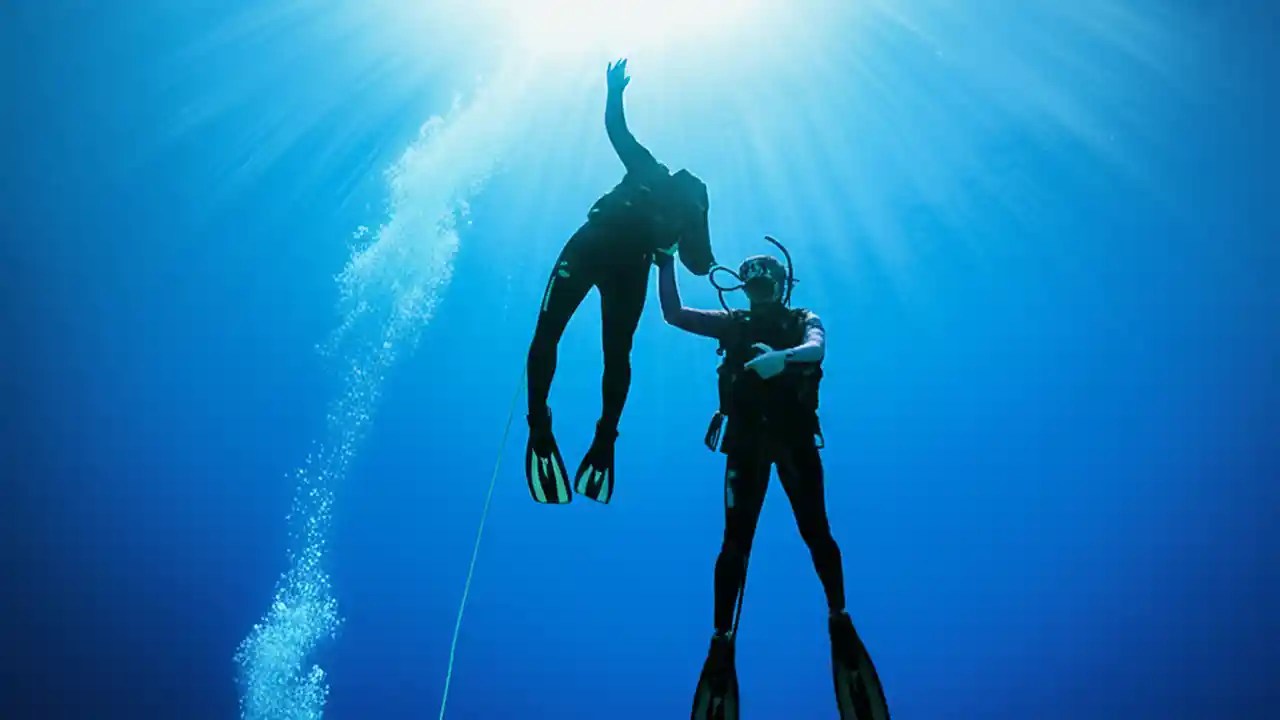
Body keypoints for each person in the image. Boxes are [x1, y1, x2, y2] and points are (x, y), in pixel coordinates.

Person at [654, 241, 890, 719]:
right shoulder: (733, 324)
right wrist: (664, 261)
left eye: (767, 277)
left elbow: (816, 347)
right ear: (745, 286)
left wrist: (782, 359)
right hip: (748, 443)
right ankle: (722, 636)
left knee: (815, 531)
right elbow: (674, 314)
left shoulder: (802, 318)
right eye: (754, 278)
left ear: (782, 284)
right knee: (736, 543)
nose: (759, 286)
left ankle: (838, 615)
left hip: (792, 438)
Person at [524, 58, 715, 506]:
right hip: (618, 260)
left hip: (597, 248)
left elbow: (617, 130)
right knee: (607, 352)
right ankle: (594, 433)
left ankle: (555, 426)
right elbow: (701, 264)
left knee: (558, 335)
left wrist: (614, 91)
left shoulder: (660, 180)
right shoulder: (669, 189)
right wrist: (614, 92)